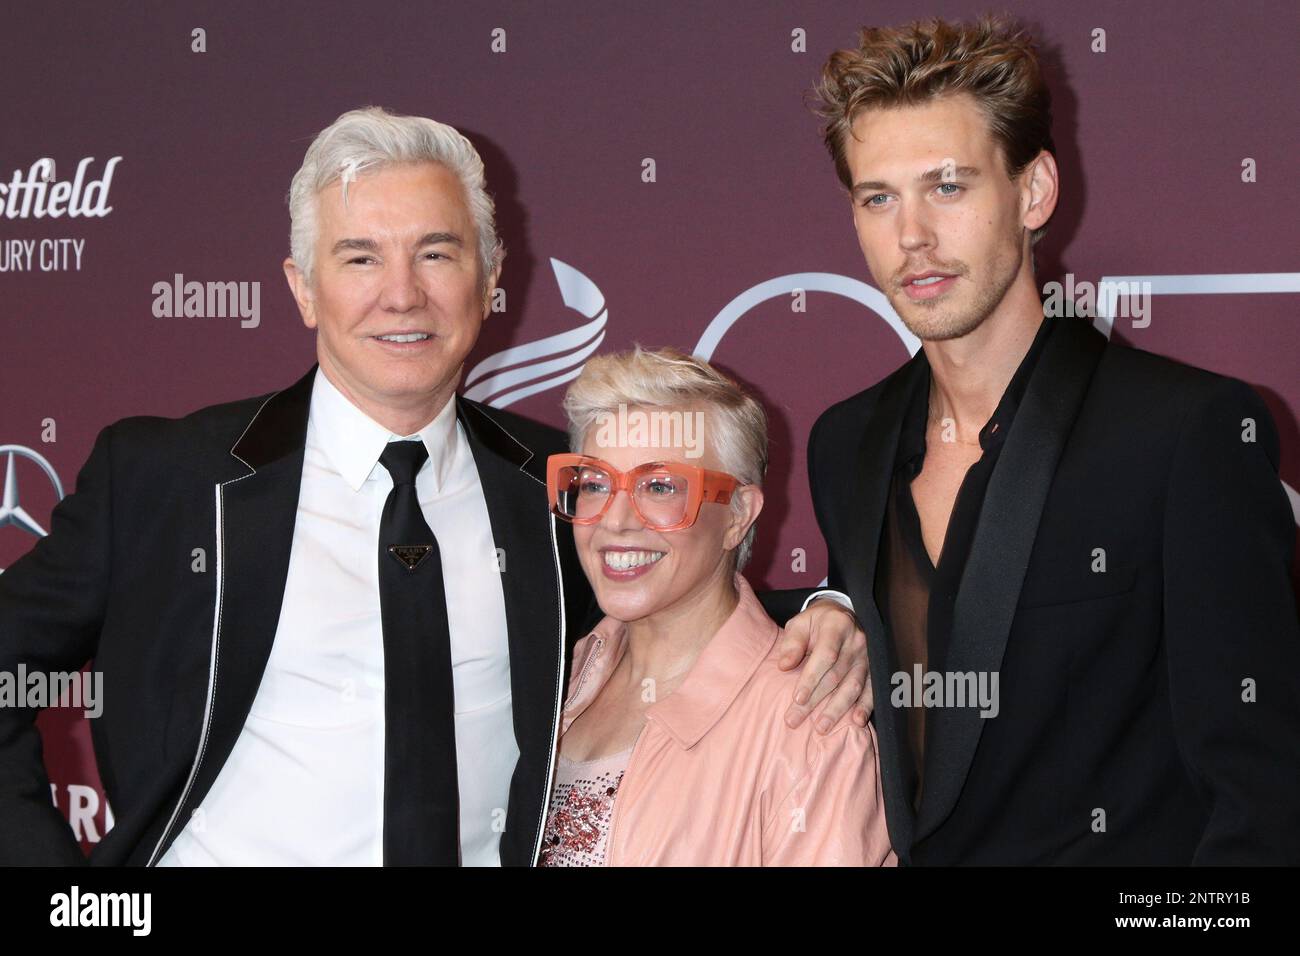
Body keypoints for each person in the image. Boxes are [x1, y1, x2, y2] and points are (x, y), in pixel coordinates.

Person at [0, 106, 868, 867]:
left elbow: (682, 579)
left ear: (493, 281)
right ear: (302, 290)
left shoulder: (554, 486)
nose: (402, 295)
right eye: (360, 258)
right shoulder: (166, 480)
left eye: (436, 252)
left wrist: (832, 607)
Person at [805, 14, 1300, 863]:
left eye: (949, 186)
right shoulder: (844, 443)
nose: (910, 235)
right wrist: (829, 605)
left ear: (1033, 193)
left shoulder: (1186, 434)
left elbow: (1264, 802)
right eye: (877, 197)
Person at [536, 347, 895, 866]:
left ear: (737, 515)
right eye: (594, 484)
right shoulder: (562, 677)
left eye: (659, 486)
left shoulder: (811, 723)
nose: (614, 522)